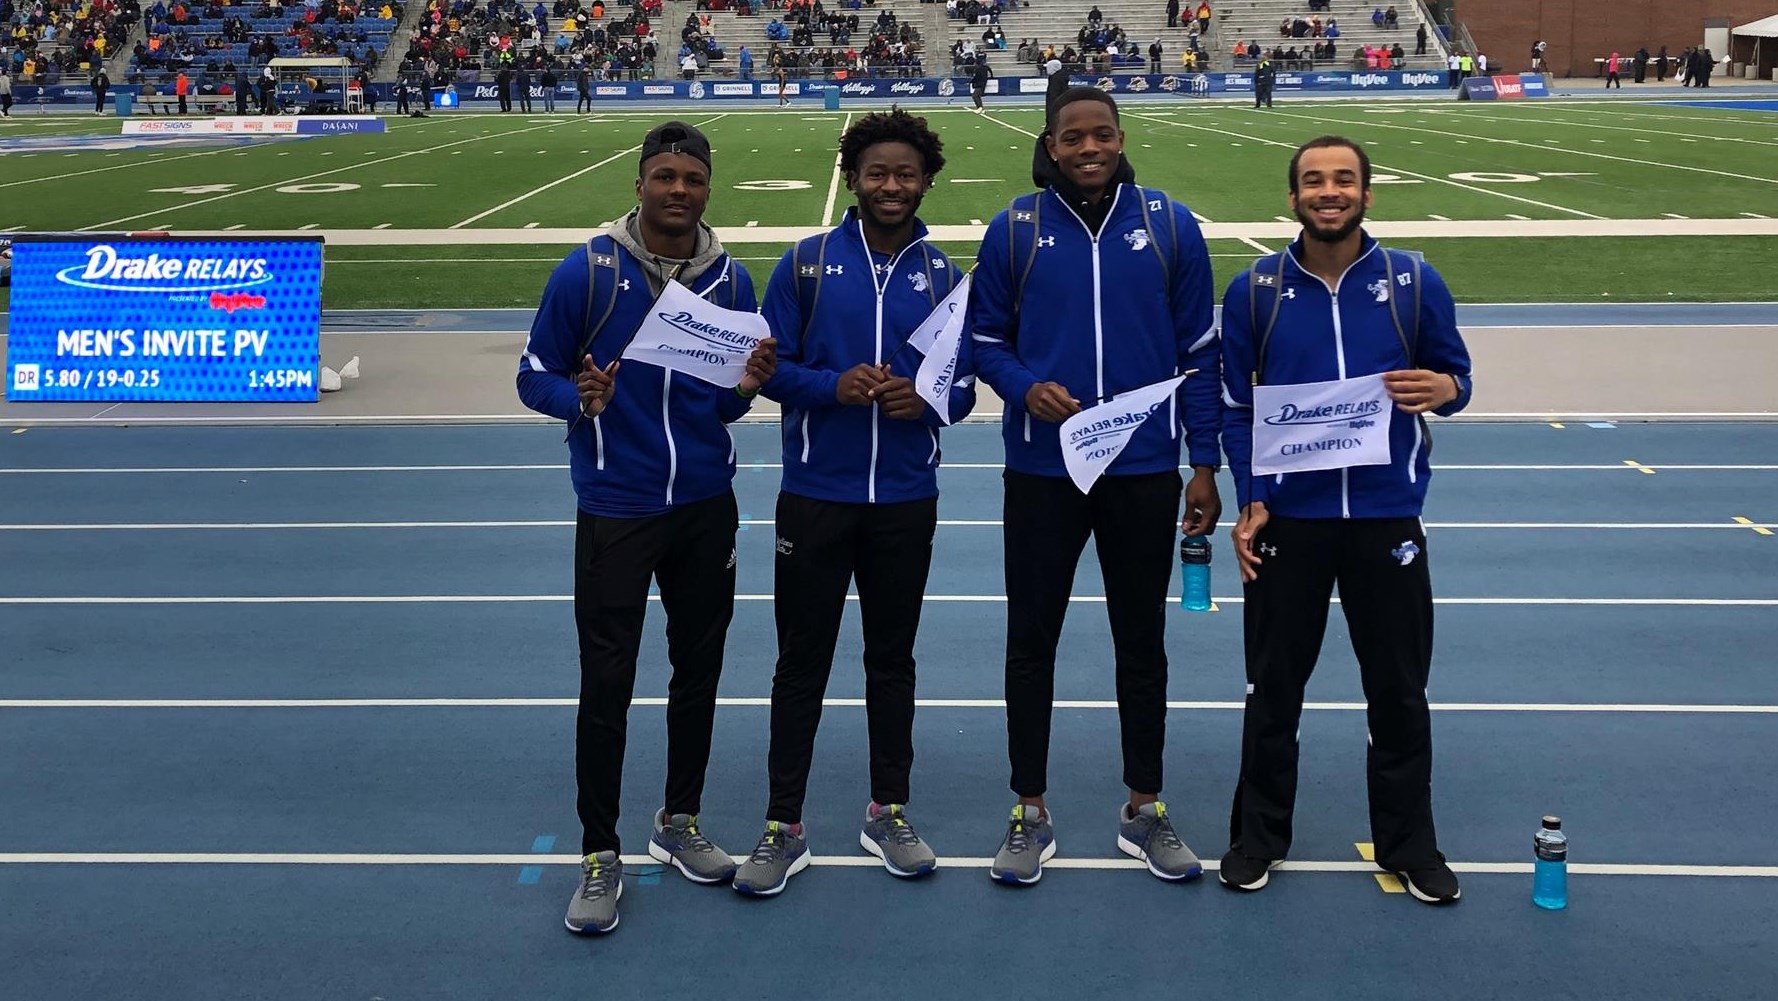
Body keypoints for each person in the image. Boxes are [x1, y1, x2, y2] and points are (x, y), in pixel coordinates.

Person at [516, 121, 779, 935]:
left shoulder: (731, 279)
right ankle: (599, 851)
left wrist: (751, 386)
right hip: (618, 506)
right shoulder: (587, 272)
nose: (678, 190)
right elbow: (533, 375)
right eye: (664, 176)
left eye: (692, 179)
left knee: (698, 671)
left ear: (708, 189)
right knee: (607, 684)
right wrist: (578, 399)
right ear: (639, 184)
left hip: (704, 505)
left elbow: (723, 401)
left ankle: (679, 821)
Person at [969, 88, 1223, 887]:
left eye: (1102, 134)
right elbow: (985, 340)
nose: (1089, 147)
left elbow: (1200, 354)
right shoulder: (1015, 227)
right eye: (1073, 136)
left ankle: (1144, 805)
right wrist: (1023, 388)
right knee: (1031, 641)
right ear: (1050, 143)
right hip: (1045, 470)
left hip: (1144, 469)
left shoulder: (1171, 225)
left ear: (1120, 138)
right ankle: (1028, 809)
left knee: (1140, 642)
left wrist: (1206, 462)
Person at [1216, 135, 1473, 904]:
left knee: (1398, 692)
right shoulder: (1255, 290)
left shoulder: (1413, 281)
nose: (1330, 192)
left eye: (1344, 180)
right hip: (1289, 522)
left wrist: (1445, 389)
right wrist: (1251, 495)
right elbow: (1235, 407)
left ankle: (1408, 842)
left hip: (1386, 518)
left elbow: (1456, 378)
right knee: (1274, 690)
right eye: (1314, 181)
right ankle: (1257, 836)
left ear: (1368, 192)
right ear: (1292, 197)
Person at [731, 109, 976, 897]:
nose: (893, 186)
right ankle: (782, 823)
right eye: (878, 173)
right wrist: (831, 388)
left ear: (926, 180)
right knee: (800, 662)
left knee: (891, 660)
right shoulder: (803, 264)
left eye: (906, 173)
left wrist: (928, 402)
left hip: (907, 498)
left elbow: (964, 387)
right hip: (816, 495)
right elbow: (768, 368)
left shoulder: (944, 276)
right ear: (854, 178)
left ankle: (888, 808)